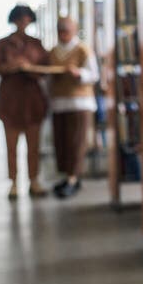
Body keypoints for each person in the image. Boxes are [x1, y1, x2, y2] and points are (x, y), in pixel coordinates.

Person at [0, 4, 49, 200]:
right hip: (11, 100)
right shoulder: (3, 43)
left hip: (32, 99)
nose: (22, 22)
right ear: (14, 20)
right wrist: (13, 67)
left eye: (26, 18)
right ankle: (14, 182)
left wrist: (29, 67)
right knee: (11, 144)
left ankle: (34, 180)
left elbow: (45, 69)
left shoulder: (36, 43)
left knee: (34, 144)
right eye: (19, 18)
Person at [48, 16, 100, 198]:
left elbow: (94, 75)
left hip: (79, 103)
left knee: (76, 142)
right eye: (60, 30)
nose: (63, 34)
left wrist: (78, 74)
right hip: (59, 103)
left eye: (67, 30)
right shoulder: (53, 51)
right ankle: (67, 176)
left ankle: (73, 177)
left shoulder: (82, 49)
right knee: (61, 143)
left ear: (74, 30)